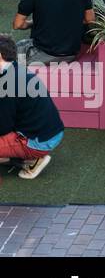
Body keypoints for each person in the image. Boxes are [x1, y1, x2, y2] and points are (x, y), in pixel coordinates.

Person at [0, 35, 65, 180]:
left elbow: (3, 127)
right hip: (49, 132)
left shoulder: (8, 84)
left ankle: (30, 161)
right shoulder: (15, 69)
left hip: (37, 141)